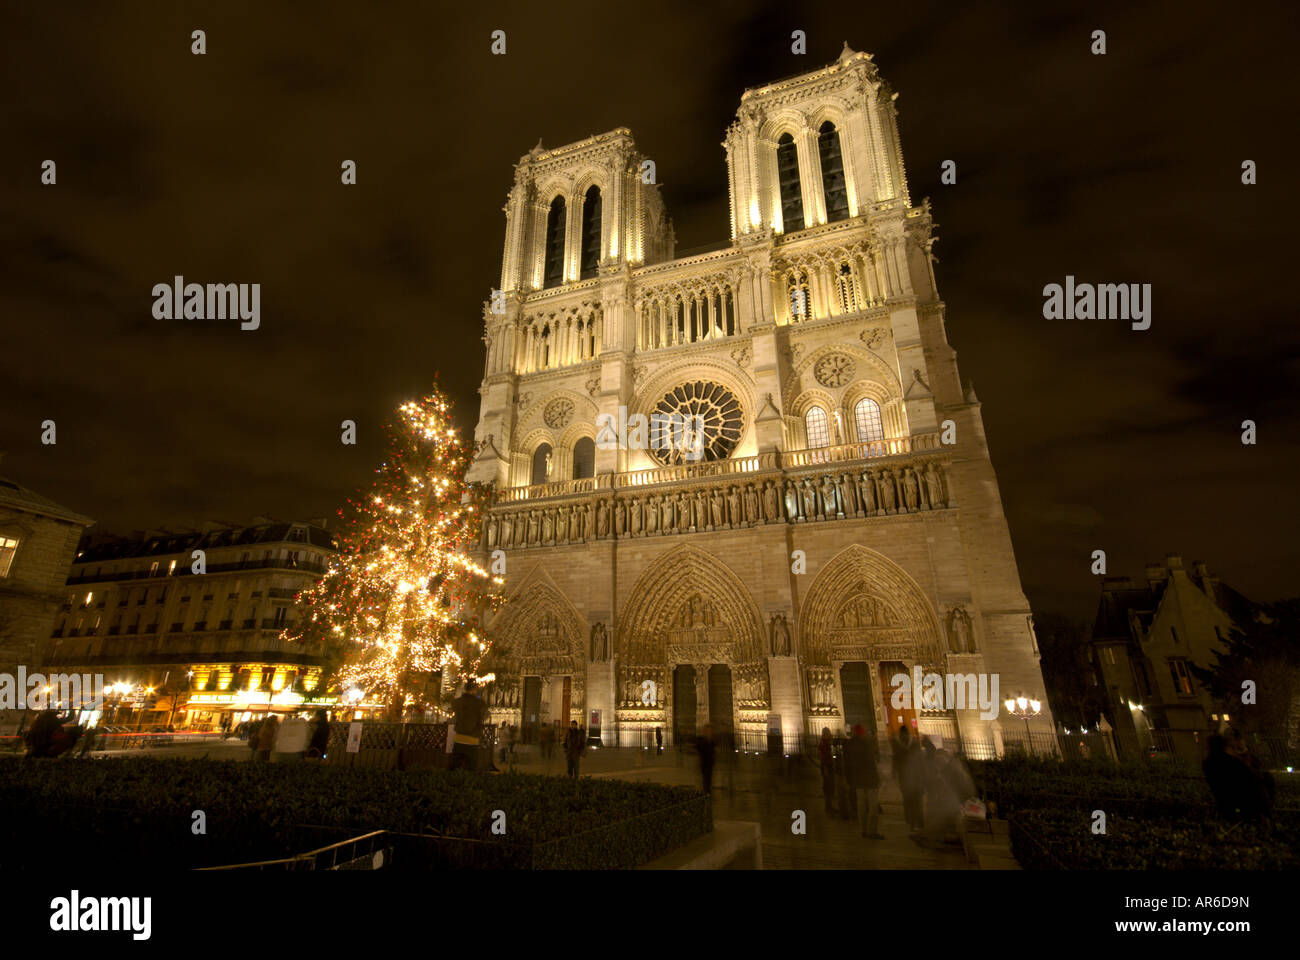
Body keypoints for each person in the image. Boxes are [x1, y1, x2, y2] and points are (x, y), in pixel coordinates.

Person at [1204, 734, 1270, 824]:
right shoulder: (1230, 761)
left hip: (1224, 800)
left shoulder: (1208, 762)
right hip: (1241, 799)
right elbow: (1248, 776)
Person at [845, 725, 884, 839]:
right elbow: (872, 762)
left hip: (857, 779)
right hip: (870, 779)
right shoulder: (867, 743)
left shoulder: (849, 744)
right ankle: (872, 831)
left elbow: (847, 763)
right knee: (872, 806)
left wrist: (849, 779)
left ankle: (863, 830)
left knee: (861, 805)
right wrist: (877, 778)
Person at [451, 681, 487, 771]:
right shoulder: (479, 703)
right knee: (472, 768)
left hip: (459, 738)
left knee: (454, 767)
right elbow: (484, 716)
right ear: (474, 690)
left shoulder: (456, 702)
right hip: (473, 738)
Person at [894, 725, 925, 832]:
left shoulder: (914, 743)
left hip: (915, 777)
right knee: (909, 801)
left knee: (916, 800)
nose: (903, 737)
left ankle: (919, 822)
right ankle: (911, 822)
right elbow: (896, 762)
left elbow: (920, 760)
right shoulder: (898, 745)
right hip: (906, 778)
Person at [818, 728, 836, 814]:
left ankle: (830, 806)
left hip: (829, 766)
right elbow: (822, 757)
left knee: (830, 787)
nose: (830, 734)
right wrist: (825, 769)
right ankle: (828, 807)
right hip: (827, 767)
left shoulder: (827, 743)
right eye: (828, 733)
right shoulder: (823, 743)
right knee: (828, 787)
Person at [697, 724, 716, 794]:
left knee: (708, 779)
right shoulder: (702, 740)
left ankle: (707, 792)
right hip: (704, 764)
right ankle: (706, 792)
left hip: (709, 764)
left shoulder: (711, 740)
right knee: (705, 779)